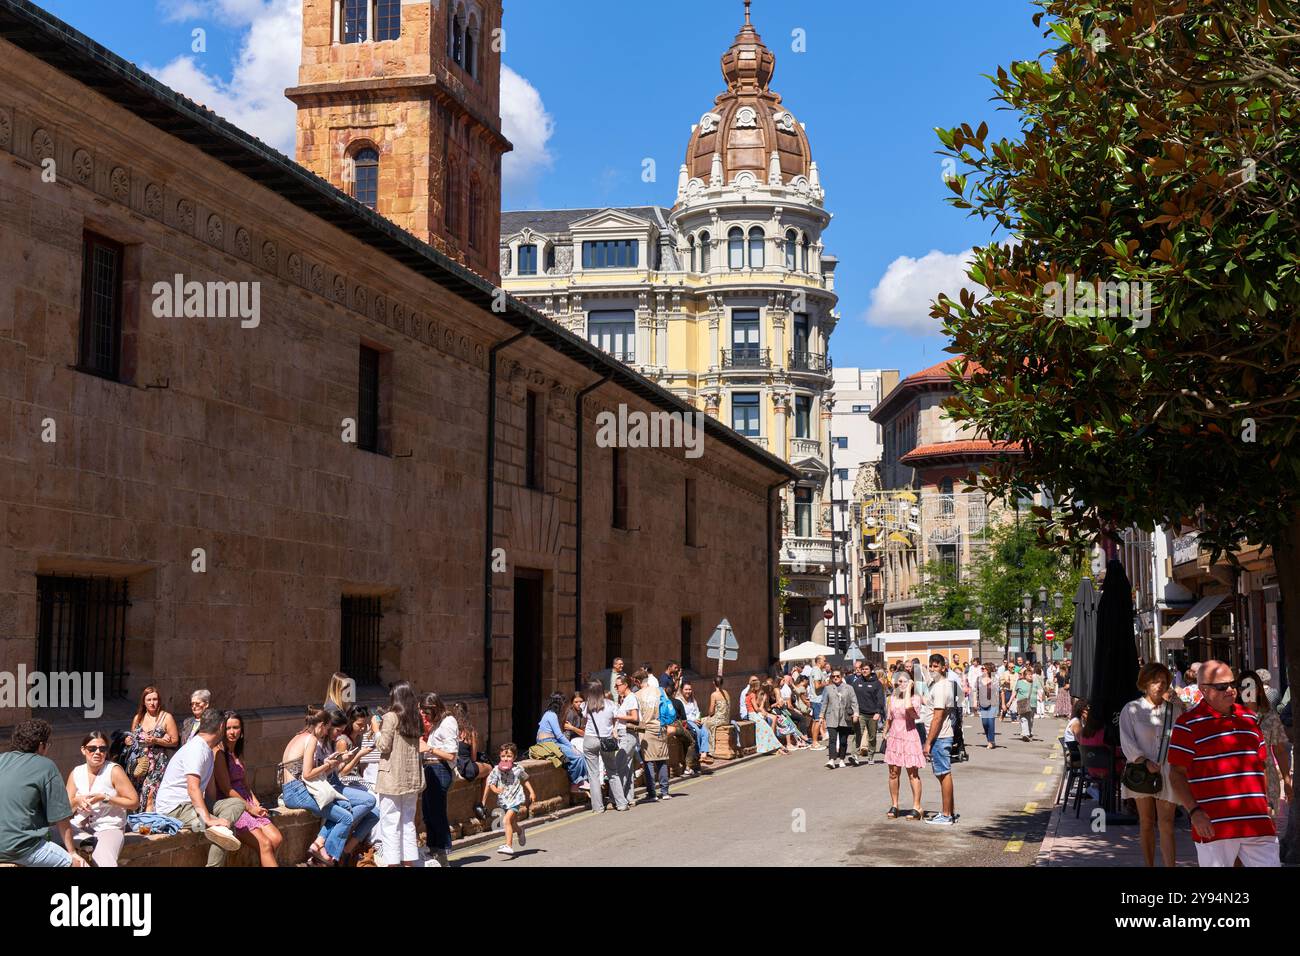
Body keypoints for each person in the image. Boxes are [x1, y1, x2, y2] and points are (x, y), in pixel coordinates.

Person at [1167, 660, 1279, 867]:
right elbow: (1176, 774)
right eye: (1221, 686)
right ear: (1203, 689)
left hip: (1256, 822)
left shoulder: (1250, 719)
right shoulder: (1187, 724)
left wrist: (1268, 804)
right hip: (1214, 825)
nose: (1230, 690)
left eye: (1232, 684)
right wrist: (1194, 812)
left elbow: (1259, 766)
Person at [154, 708, 246, 866]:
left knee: (237, 804)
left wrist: (219, 814)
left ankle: (222, 830)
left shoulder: (208, 750)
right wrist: (209, 819)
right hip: (175, 808)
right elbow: (193, 788)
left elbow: (209, 791)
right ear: (221, 727)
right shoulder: (197, 749)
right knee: (223, 831)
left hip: (190, 804)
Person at [279, 709, 367, 866]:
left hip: (292, 790)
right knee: (346, 817)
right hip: (298, 792)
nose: (327, 732)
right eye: (327, 728)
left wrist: (329, 762)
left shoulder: (298, 736)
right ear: (321, 725)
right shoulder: (311, 739)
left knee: (346, 806)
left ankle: (318, 845)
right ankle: (328, 859)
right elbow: (307, 774)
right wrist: (329, 764)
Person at [1118, 663, 1185, 868]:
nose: (1160, 685)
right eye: (1155, 681)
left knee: (1167, 824)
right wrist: (1144, 761)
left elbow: (1184, 738)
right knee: (1146, 822)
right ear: (1145, 682)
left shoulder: (1175, 711)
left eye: (1164, 681)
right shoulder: (1131, 709)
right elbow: (1127, 741)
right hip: (1142, 772)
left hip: (1168, 770)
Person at [0, 720, 87, 867]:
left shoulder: (1, 759)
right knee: (79, 865)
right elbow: (61, 817)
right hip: (21, 848)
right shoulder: (46, 766)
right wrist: (72, 853)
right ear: (41, 745)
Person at [214, 711, 283, 867]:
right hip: (232, 804)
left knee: (277, 839)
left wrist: (257, 804)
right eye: (228, 728)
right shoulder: (219, 753)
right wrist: (250, 809)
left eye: (236, 727)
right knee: (264, 844)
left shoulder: (237, 752)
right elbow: (226, 789)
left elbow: (246, 785)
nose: (232, 732)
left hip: (248, 802)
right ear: (222, 730)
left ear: (242, 730)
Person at [64, 730, 138, 867]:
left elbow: (134, 802)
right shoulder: (76, 772)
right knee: (52, 834)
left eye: (102, 749)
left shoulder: (114, 770)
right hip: (80, 827)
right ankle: (87, 843)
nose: (97, 753)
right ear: (83, 750)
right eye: (92, 749)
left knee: (104, 861)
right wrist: (77, 801)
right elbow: (64, 809)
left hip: (108, 827)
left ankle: (89, 845)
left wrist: (105, 798)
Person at [374, 682, 425, 866]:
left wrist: (375, 732)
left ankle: (393, 864)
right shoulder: (415, 718)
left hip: (392, 778)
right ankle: (408, 863)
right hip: (411, 778)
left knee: (390, 823)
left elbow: (384, 746)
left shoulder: (390, 717)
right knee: (407, 822)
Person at [1238, 672, 1293, 820]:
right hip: (1240, 780)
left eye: (1251, 686)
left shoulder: (1270, 717)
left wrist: (1287, 781)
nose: (1247, 691)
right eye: (1243, 687)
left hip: (1268, 781)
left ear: (1259, 690)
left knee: (1269, 824)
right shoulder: (1231, 717)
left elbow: (1280, 751)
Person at [418, 692, 457, 867]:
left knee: (436, 813)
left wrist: (429, 748)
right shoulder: (437, 724)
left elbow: (450, 755)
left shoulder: (448, 722)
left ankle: (442, 853)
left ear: (434, 708)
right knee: (428, 812)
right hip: (430, 768)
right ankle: (433, 850)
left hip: (440, 769)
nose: (424, 716)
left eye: (426, 712)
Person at [126, 685, 179, 812]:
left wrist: (156, 740)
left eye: (155, 699)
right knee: (138, 791)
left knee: (149, 791)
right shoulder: (138, 718)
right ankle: (138, 821)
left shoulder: (166, 717)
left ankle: (148, 823)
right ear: (144, 702)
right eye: (149, 700)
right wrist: (129, 741)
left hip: (158, 762)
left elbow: (175, 741)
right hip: (139, 762)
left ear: (159, 701)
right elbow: (133, 738)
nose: (152, 703)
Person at [921, 653, 957, 825]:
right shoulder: (936, 685)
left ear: (943, 667)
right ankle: (949, 811)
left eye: (936, 666)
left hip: (940, 736)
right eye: (931, 666)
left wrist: (928, 742)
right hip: (940, 736)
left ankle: (946, 814)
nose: (933, 669)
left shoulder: (942, 686)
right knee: (943, 774)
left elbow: (938, 717)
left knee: (943, 773)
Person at [581, 680, 627, 812]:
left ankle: (598, 807)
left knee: (593, 775)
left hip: (590, 740)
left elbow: (585, 719)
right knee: (613, 772)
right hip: (606, 740)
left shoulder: (585, 706)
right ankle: (621, 803)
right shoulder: (611, 705)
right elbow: (616, 720)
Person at [883, 671, 924, 820]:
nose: (901, 684)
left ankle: (917, 807)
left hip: (909, 736)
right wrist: (885, 731)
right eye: (899, 682)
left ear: (911, 683)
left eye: (904, 681)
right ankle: (895, 805)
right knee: (893, 773)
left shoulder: (915, 698)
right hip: (895, 736)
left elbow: (911, 713)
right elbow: (889, 717)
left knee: (912, 774)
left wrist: (908, 692)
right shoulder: (892, 698)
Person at [487, 743, 536, 856]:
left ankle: (508, 846)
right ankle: (520, 831)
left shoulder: (518, 769)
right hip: (504, 800)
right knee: (512, 823)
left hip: (516, 798)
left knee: (506, 821)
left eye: (509, 756)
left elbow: (526, 779)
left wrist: (532, 792)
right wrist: (495, 790)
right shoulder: (496, 769)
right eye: (503, 756)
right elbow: (491, 783)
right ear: (500, 756)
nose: (506, 758)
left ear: (514, 757)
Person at [633, 668, 672, 800]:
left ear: (638, 681)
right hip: (660, 727)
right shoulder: (659, 690)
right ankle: (665, 792)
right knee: (662, 760)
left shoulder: (637, 695)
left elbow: (636, 716)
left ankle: (652, 793)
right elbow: (666, 708)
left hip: (645, 730)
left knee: (648, 761)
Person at [537, 692, 588, 789]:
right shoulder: (551, 715)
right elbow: (559, 735)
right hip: (549, 743)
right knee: (577, 756)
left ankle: (581, 781)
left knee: (581, 755)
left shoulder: (549, 714)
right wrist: (571, 746)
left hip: (552, 741)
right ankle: (576, 782)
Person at [821, 668, 860, 769]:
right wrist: (821, 716)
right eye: (833, 676)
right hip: (831, 717)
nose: (835, 678)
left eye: (838, 676)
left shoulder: (849, 688)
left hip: (845, 717)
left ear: (841, 677)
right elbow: (824, 703)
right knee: (832, 740)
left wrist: (856, 713)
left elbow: (854, 701)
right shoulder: (828, 688)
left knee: (843, 740)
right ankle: (832, 760)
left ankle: (842, 759)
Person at [848, 662, 885, 763]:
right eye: (863, 669)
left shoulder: (877, 683)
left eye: (866, 669)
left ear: (871, 670)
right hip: (860, 713)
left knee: (872, 736)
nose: (864, 671)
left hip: (873, 714)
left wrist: (878, 712)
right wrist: (852, 711)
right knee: (858, 734)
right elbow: (852, 698)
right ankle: (854, 755)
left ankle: (871, 755)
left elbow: (880, 699)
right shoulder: (857, 683)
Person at [744, 677, 783, 755]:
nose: (758, 688)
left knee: (766, 729)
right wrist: (763, 702)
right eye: (757, 686)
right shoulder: (752, 695)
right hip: (753, 715)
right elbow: (756, 708)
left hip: (751, 714)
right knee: (767, 729)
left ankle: (774, 747)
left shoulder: (748, 694)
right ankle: (773, 748)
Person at [679, 682, 714, 766]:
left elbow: (697, 711)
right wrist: (693, 720)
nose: (688, 691)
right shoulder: (679, 701)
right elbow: (683, 716)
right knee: (697, 731)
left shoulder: (693, 700)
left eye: (690, 689)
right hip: (687, 721)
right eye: (686, 689)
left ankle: (704, 754)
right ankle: (697, 755)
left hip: (695, 721)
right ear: (682, 690)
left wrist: (698, 718)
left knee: (705, 731)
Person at [702, 676, 731, 755]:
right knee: (704, 720)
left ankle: (709, 749)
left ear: (714, 683)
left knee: (704, 724)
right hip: (726, 719)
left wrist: (709, 715)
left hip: (719, 719)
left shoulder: (714, 694)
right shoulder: (726, 692)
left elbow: (711, 711)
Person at [808, 655, 829, 749]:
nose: (825, 662)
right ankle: (815, 742)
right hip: (817, 699)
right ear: (819, 661)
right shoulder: (816, 670)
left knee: (816, 721)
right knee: (818, 721)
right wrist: (826, 683)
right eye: (824, 660)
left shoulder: (817, 670)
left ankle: (814, 741)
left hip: (816, 699)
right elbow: (817, 686)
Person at [976, 663, 998, 748]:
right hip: (983, 703)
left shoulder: (994, 679)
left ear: (988, 670)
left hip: (992, 703)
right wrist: (974, 701)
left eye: (983, 668)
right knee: (984, 723)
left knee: (990, 721)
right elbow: (975, 691)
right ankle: (989, 739)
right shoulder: (979, 679)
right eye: (982, 669)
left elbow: (998, 691)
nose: (982, 670)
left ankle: (991, 741)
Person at [1013, 666, 1038, 741]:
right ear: (1025, 676)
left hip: (1032, 703)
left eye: (1031, 674)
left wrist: (1041, 695)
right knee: (1023, 718)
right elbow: (1015, 692)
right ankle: (1025, 734)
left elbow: (1040, 690)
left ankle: (1029, 732)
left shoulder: (1035, 682)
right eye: (1028, 674)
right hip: (1022, 703)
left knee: (1030, 719)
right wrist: (1010, 701)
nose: (1030, 676)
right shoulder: (1019, 682)